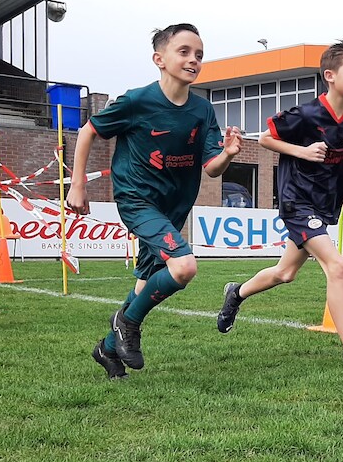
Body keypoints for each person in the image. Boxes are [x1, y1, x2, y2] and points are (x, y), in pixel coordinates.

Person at [67, 24, 243, 377]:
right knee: (184, 266)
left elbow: (211, 168)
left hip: (175, 207)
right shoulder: (137, 100)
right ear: (159, 59)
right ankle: (126, 323)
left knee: (146, 283)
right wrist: (77, 184)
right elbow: (89, 131)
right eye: (184, 52)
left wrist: (228, 154)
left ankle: (107, 348)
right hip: (138, 201)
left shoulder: (203, 111)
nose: (193, 60)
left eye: (199, 55)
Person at [215, 39, 343, 378]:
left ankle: (235, 294)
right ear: (330, 75)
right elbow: (265, 139)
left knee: (285, 273)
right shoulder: (308, 114)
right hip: (296, 200)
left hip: (324, 207)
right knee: (337, 265)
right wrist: (302, 151)